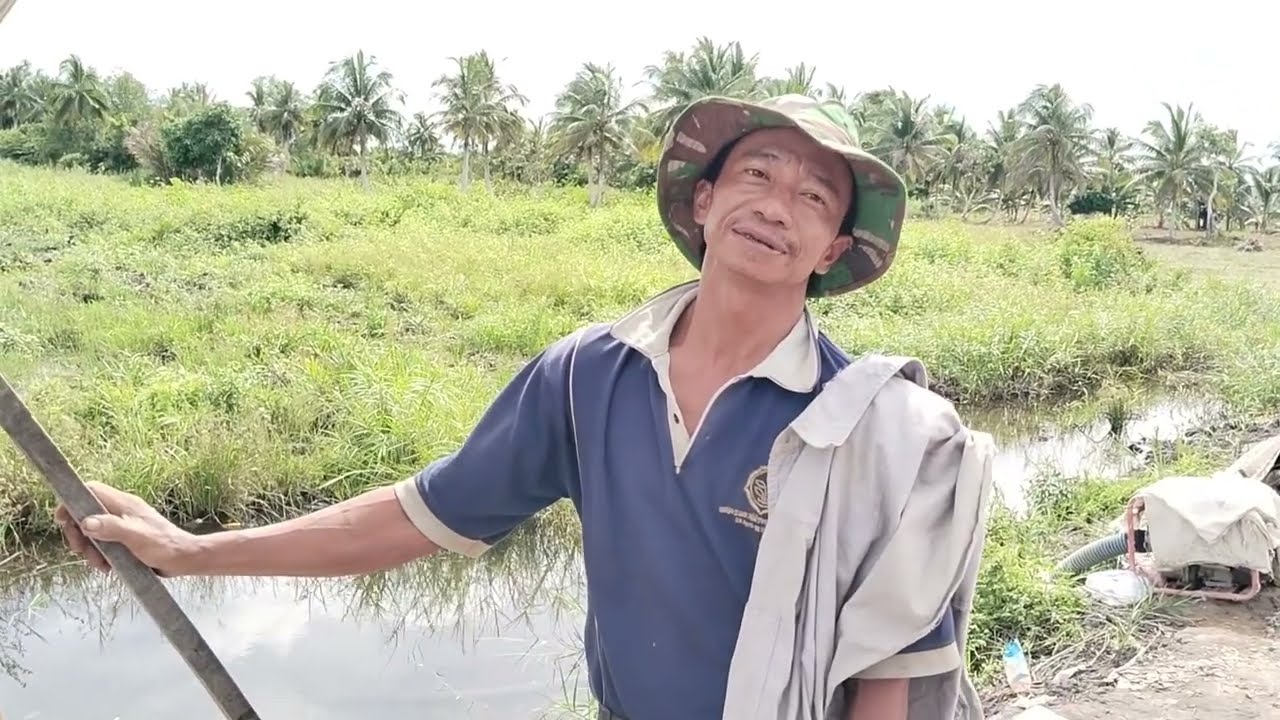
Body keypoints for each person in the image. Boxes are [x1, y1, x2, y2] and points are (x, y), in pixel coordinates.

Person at [56, 94, 976, 720]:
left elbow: (888, 682)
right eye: (758, 176)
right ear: (704, 201)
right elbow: (415, 516)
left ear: (830, 250)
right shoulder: (587, 377)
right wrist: (192, 552)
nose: (779, 206)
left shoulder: (881, 432)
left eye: (815, 197)